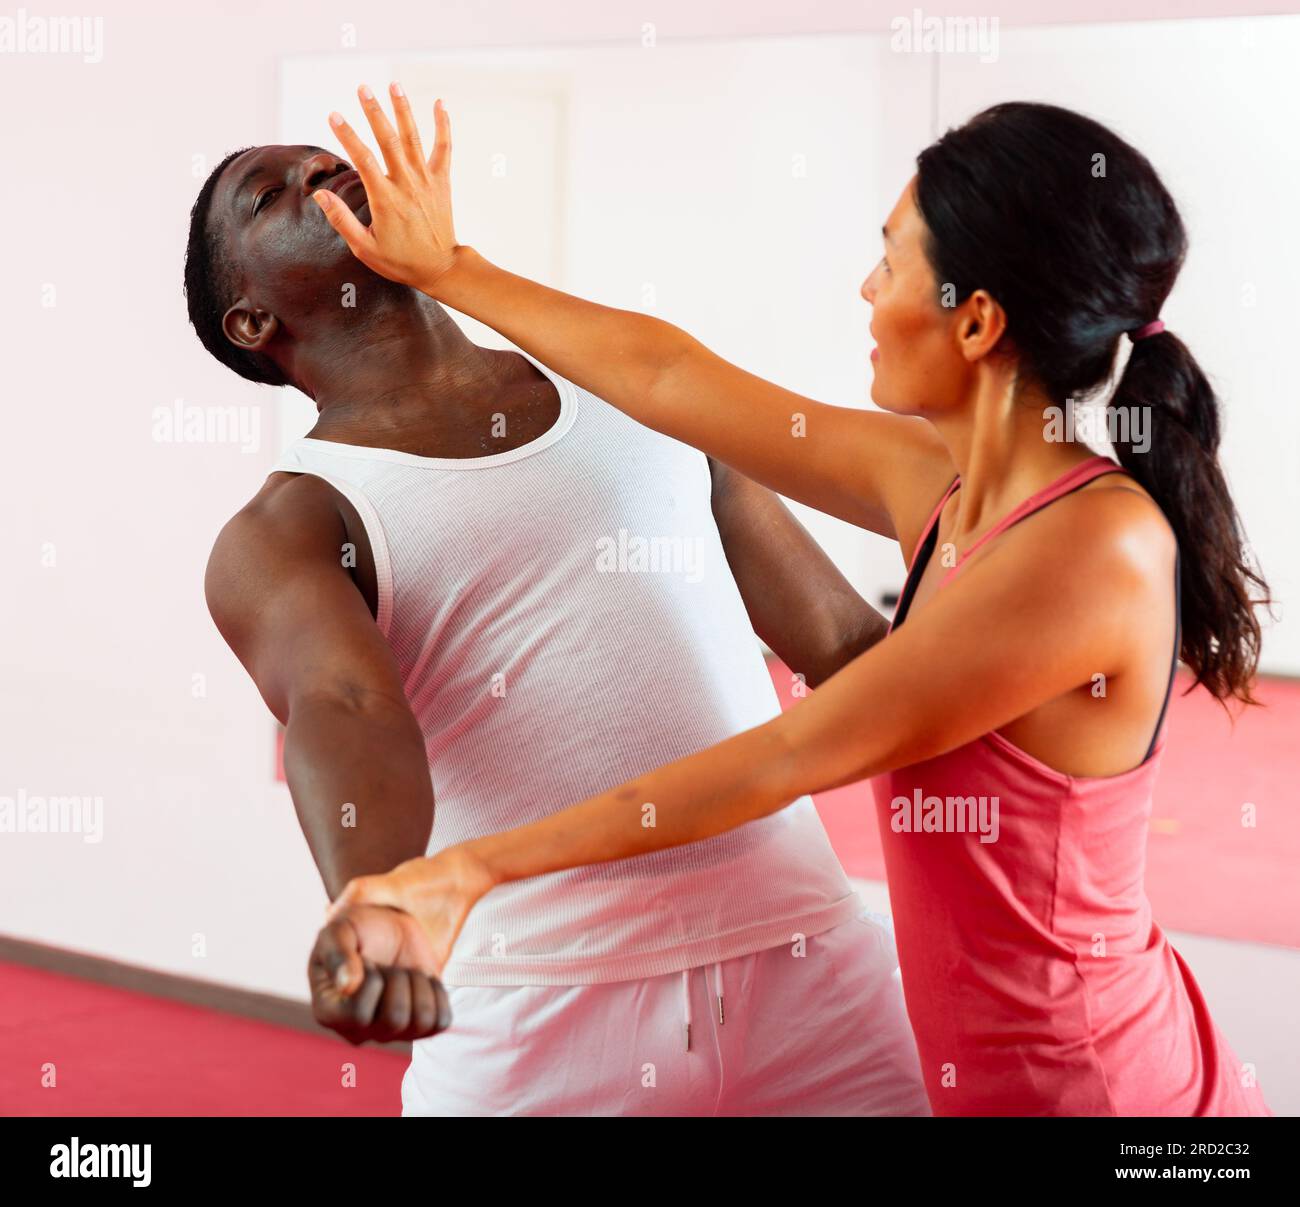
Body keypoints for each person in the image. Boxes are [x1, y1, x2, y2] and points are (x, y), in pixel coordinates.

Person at [322, 86, 1273, 1117]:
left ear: (977, 321)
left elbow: (786, 756)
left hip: (1100, 1091)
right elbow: (669, 375)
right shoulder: (940, 484)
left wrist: (470, 870)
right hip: (1006, 1079)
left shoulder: (1094, 550)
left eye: (891, 261)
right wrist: (449, 270)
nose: (867, 291)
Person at [185, 138, 931, 1116]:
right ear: (253, 318)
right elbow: (345, 702)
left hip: (811, 963)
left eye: (325, 160)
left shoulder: (628, 387)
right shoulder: (290, 524)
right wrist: (380, 899)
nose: (317, 176)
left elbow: (842, 644)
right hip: (540, 1008)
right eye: (266, 193)